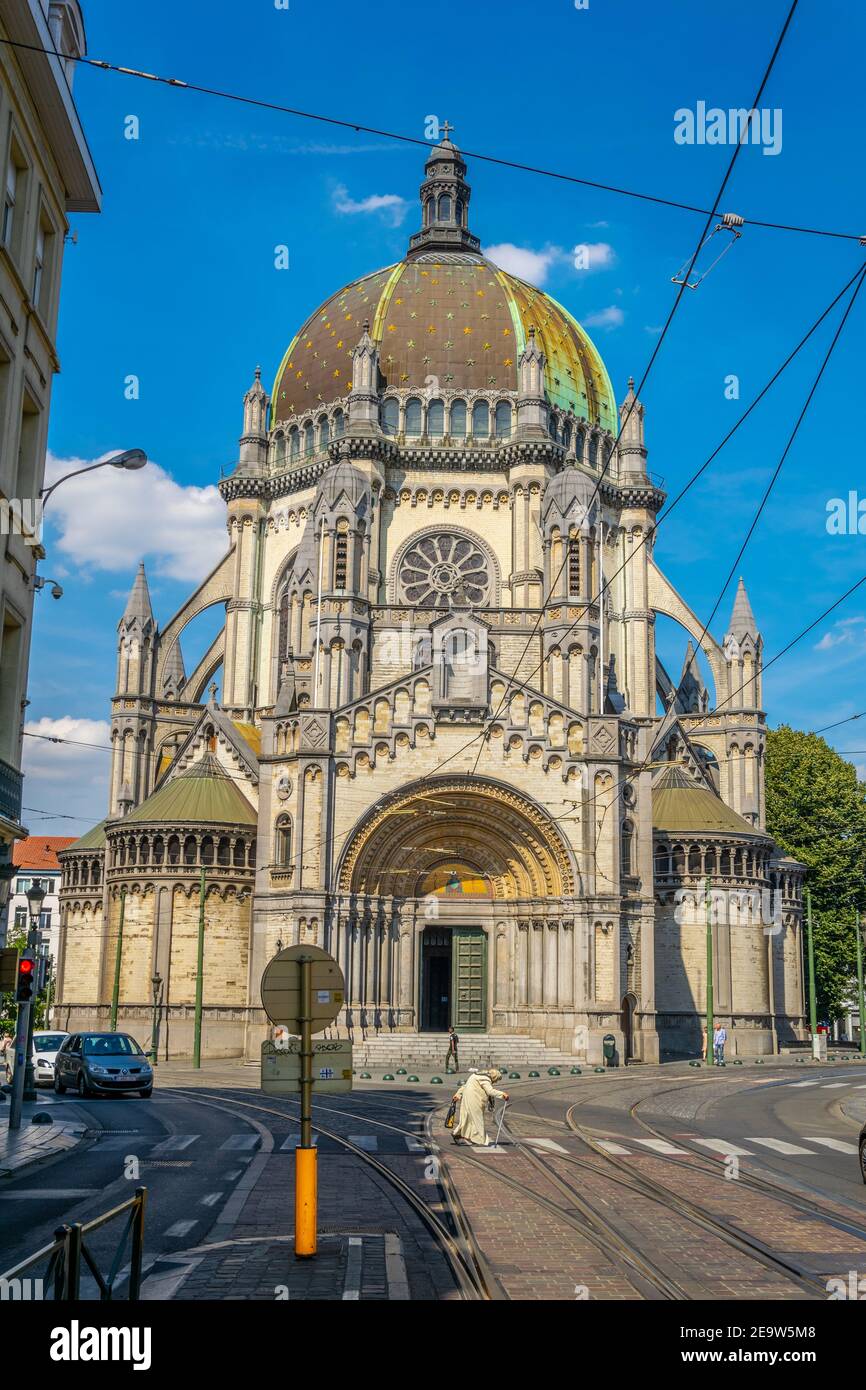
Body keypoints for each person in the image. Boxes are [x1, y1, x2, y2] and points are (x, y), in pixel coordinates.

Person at [451, 1069, 508, 1146]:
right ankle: (480, 1140)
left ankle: (458, 1133)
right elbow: (490, 1091)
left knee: (467, 1118)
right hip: (475, 1100)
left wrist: (458, 1094)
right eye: (497, 1080)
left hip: (467, 1099)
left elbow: (465, 1086)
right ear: (494, 1077)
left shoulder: (476, 1075)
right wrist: (502, 1094)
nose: (496, 1082)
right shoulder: (485, 1079)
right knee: (478, 1120)